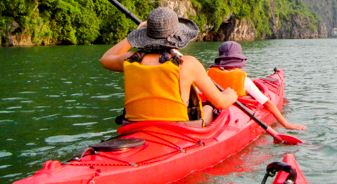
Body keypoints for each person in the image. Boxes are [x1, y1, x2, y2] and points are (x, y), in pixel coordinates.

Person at [100, 7, 237, 127]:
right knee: (208, 108)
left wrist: (134, 36)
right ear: (178, 37)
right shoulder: (188, 64)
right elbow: (221, 103)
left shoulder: (130, 60)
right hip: (177, 129)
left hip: (135, 126)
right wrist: (231, 95)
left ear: (144, 37)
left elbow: (105, 59)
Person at [207, 41, 306, 131]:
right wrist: (286, 124)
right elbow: (267, 103)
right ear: (239, 60)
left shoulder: (210, 75)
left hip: (216, 110)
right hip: (235, 113)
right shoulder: (243, 80)